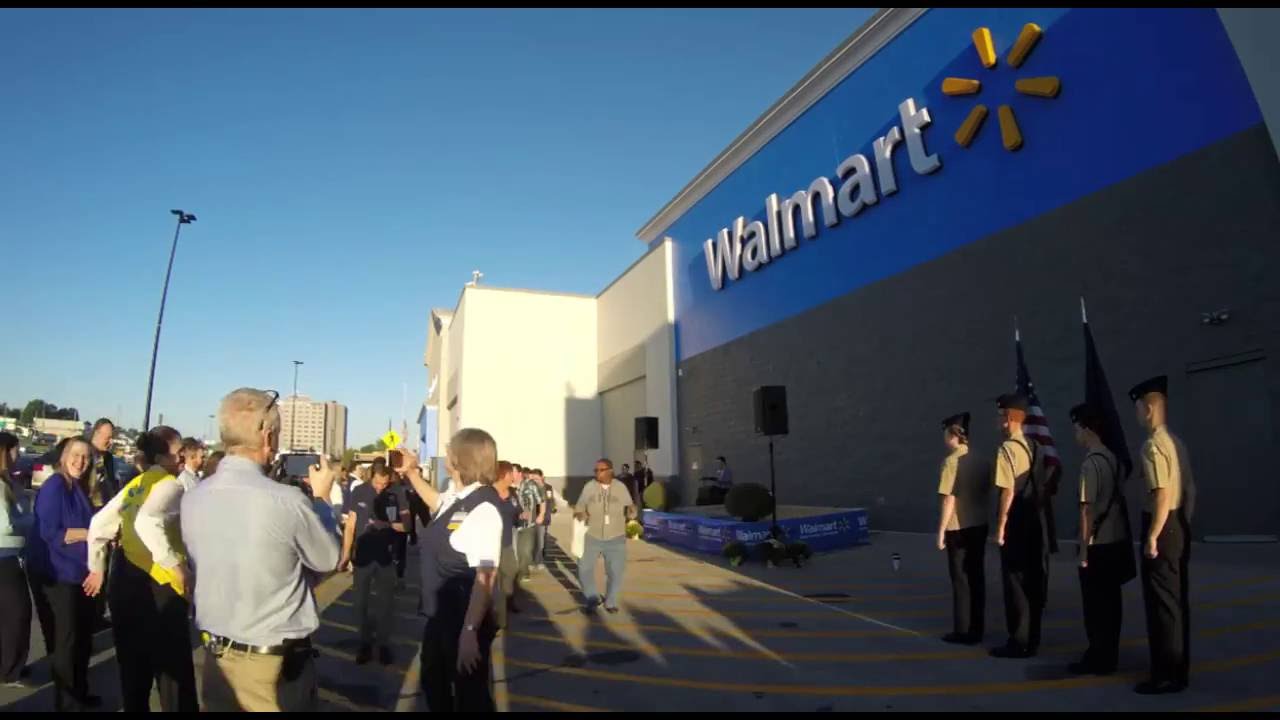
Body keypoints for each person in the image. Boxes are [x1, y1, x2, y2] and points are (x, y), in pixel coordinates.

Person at [181, 388, 340, 712]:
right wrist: (322, 501)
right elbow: (328, 558)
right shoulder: (286, 501)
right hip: (274, 669)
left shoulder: (193, 497)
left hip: (217, 660)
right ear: (268, 437)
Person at [85, 425, 198, 711]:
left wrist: (96, 566)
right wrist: (176, 567)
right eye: (178, 453)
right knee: (175, 676)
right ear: (162, 457)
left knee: (133, 674)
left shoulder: (137, 484)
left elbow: (99, 524)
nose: (182, 459)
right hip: (159, 585)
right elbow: (147, 521)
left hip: (125, 581)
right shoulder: (170, 484)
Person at [393, 434, 502, 712]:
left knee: (470, 697)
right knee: (434, 682)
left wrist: (469, 631)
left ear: (460, 459)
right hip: (441, 616)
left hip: (463, 619)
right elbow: (438, 504)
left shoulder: (484, 508)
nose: (446, 456)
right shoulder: (461, 499)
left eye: (449, 451)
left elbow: (486, 576)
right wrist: (412, 474)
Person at [1129, 376, 1194, 695]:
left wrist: (1154, 534)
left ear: (1150, 407)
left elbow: (1161, 493)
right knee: (1176, 602)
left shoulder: (1153, 445)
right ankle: (1178, 669)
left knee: (1161, 605)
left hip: (1162, 525)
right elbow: (1190, 489)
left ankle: (1164, 674)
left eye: (1138, 408)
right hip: (1178, 525)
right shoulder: (1176, 443)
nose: (1136, 414)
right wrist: (1181, 524)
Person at [25, 437, 99, 710]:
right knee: (65, 643)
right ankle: (67, 704)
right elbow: (51, 533)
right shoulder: (55, 485)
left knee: (81, 638)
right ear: (64, 456)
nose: (81, 461)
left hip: (78, 573)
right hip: (55, 574)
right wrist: (93, 534)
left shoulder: (77, 487)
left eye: (86, 457)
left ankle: (79, 692)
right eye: (76, 455)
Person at [1068, 403, 1133, 677]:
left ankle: (1097, 657)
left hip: (1097, 545)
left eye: (1076, 428)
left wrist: (1083, 551)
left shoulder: (1091, 464)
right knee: (1112, 606)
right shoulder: (1114, 460)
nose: (1075, 434)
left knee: (1095, 608)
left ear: (1085, 429)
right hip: (1116, 542)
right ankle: (1110, 656)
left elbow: (1087, 509)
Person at [991, 393, 1050, 659]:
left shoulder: (1006, 449)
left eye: (1001, 415)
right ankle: (1033, 638)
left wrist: (1001, 526)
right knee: (1033, 581)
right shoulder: (1035, 446)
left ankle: (1018, 640)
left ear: (1009, 418)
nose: (999, 420)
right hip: (1035, 519)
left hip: (1016, 520)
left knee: (1015, 582)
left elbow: (1007, 492)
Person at [338, 461, 409, 665]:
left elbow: (407, 526)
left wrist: (386, 524)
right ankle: (365, 643)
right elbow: (350, 525)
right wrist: (345, 555)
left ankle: (384, 645)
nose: (380, 487)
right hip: (363, 557)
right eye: (377, 483)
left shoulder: (397, 493)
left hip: (387, 557)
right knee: (360, 604)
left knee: (385, 604)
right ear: (371, 477)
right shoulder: (359, 491)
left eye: (384, 483)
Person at [935, 412, 990, 646]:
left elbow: (949, 499)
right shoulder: (982, 460)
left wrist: (941, 531)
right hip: (979, 524)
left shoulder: (951, 462)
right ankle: (977, 628)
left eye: (945, 433)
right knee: (977, 576)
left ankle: (962, 630)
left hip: (958, 527)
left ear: (953, 434)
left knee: (960, 580)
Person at [575, 458, 635, 614]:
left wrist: (632, 513)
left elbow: (630, 506)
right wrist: (581, 514)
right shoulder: (589, 487)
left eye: (600, 470)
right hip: (592, 535)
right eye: (595, 470)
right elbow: (579, 506)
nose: (597, 473)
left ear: (610, 471)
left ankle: (611, 601)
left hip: (616, 537)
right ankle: (592, 598)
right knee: (584, 568)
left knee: (615, 572)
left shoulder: (620, 487)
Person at [0, 432, 35, 689]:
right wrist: (32, 522)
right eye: (15, 450)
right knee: (17, 615)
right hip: (4, 557)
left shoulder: (10, 482)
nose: (19, 455)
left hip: (12, 557)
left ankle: (12, 664)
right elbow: (5, 526)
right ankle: (10, 670)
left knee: (12, 615)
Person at [493, 462, 522, 627]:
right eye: (512, 473)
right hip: (491, 546)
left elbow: (516, 511)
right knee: (495, 583)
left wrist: (520, 516)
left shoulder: (512, 493)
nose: (515, 476)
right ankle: (500, 620)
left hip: (507, 542)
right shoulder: (488, 494)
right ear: (504, 475)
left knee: (511, 571)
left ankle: (507, 600)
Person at [515, 463, 543, 582]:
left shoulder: (530, 485)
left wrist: (540, 514)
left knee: (525, 550)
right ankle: (519, 571)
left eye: (513, 472)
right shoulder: (508, 487)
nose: (511, 474)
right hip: (513, 523)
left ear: (519, 473)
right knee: (516, 550)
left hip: (528, 523)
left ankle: (524, 571)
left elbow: (540, 501)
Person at [86, 418, 119, 512]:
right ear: (96, 433)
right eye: (108, 438)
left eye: (112, 438)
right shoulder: (83, 454)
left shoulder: (108, 458)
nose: (111, 442)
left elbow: (112, 484)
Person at [531, 469, 553, 570]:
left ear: (542, 477)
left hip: (543, 518)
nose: (535, 480)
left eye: (536, 478)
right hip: (532, 518)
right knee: (533, 540)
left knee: (541, 540)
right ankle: (535, 560)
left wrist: (545, 515)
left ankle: (539, 560)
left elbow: (550, 502)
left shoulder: (548, 488)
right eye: (533, 479)